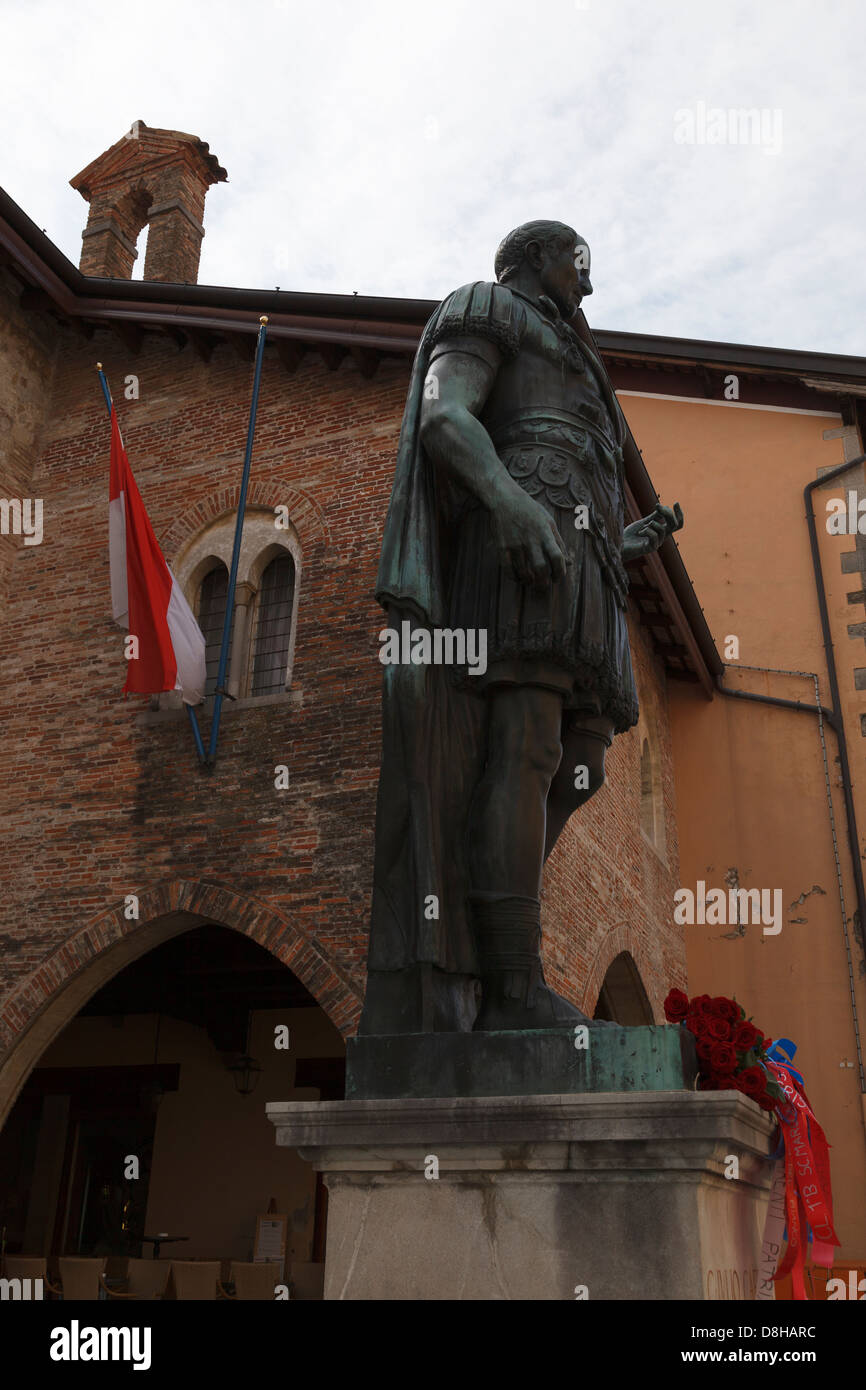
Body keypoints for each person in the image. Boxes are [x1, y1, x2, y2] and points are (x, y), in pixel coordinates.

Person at [360, 220, 682, 1035]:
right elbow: (445, 418)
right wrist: (506, 502)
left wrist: (626, 541)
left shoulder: (580, 355)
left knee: (581, 762)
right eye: (580, 264)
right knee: (529, 743)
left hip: (585, 563)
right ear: (537, 256)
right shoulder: (484, 307)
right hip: (518, 547)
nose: (590, 284)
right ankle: (511, 985)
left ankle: (485, 908)